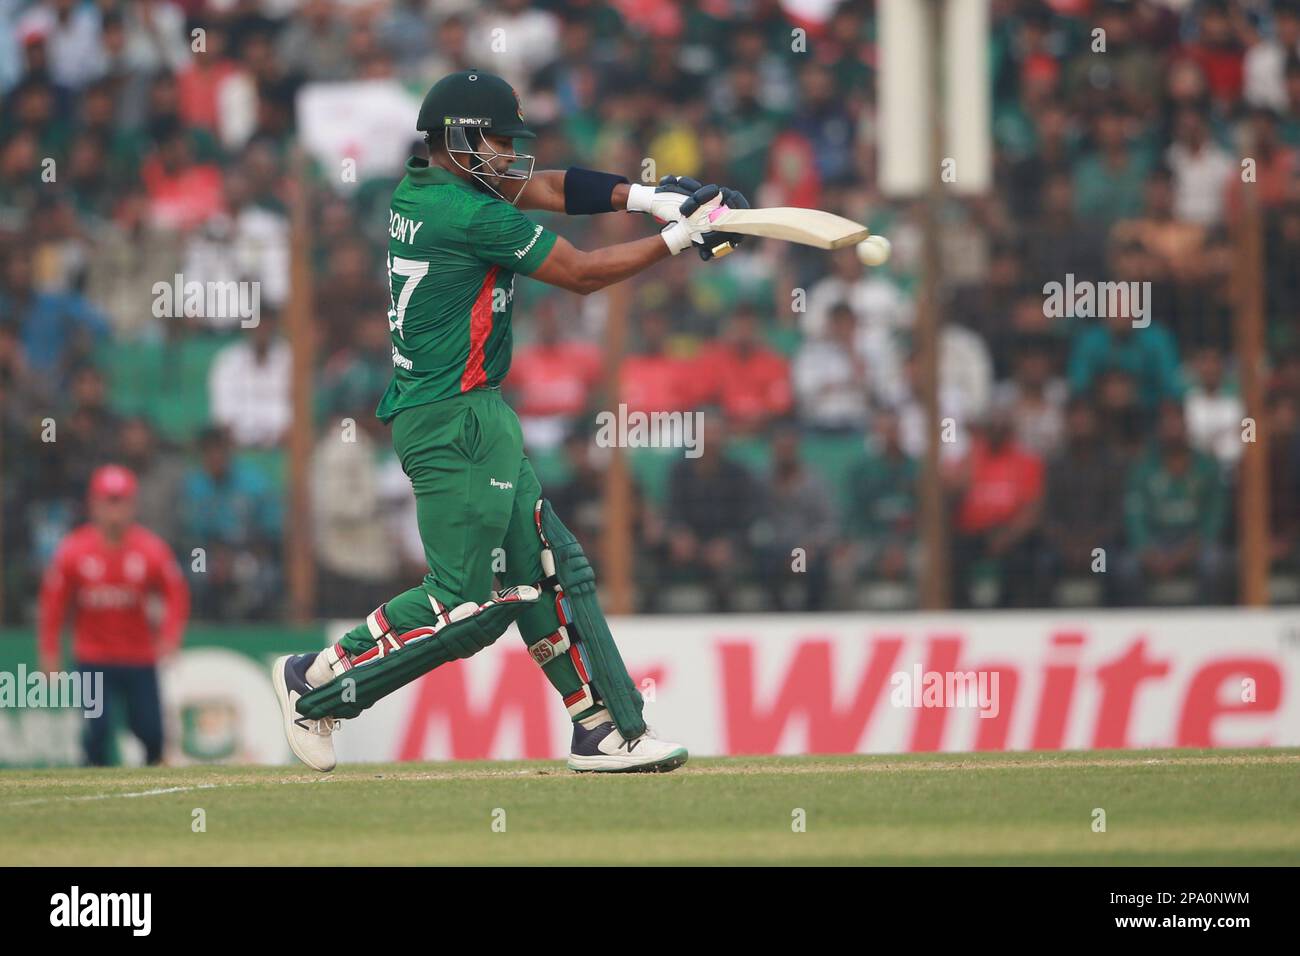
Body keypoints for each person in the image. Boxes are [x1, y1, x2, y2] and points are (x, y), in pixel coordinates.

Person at [273, 69, 750, 774]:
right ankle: (317, 682)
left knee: (550, 567)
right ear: (460, 137)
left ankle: (605, 729)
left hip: (471, 410)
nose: (509, 154)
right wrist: (679, 240)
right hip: (449, 422)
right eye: (498, 140)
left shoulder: (427, 186)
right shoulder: (469, 214)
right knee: (464, 608)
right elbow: (582, 274)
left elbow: (551, 187)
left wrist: (652, 197)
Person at [38, 464, 190, 766]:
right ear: (93, 504)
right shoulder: (73, 551)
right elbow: (53, 605)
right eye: (109, 501)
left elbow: (176, 594)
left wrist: (170, 637)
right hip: (93, 658)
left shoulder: (151, 550)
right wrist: (50, 653)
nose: (115, 511)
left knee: (151, 733)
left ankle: (156, 790)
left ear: (133, 505)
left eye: (121, 502)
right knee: (96, 730)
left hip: (139, 658)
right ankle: (92, 792)